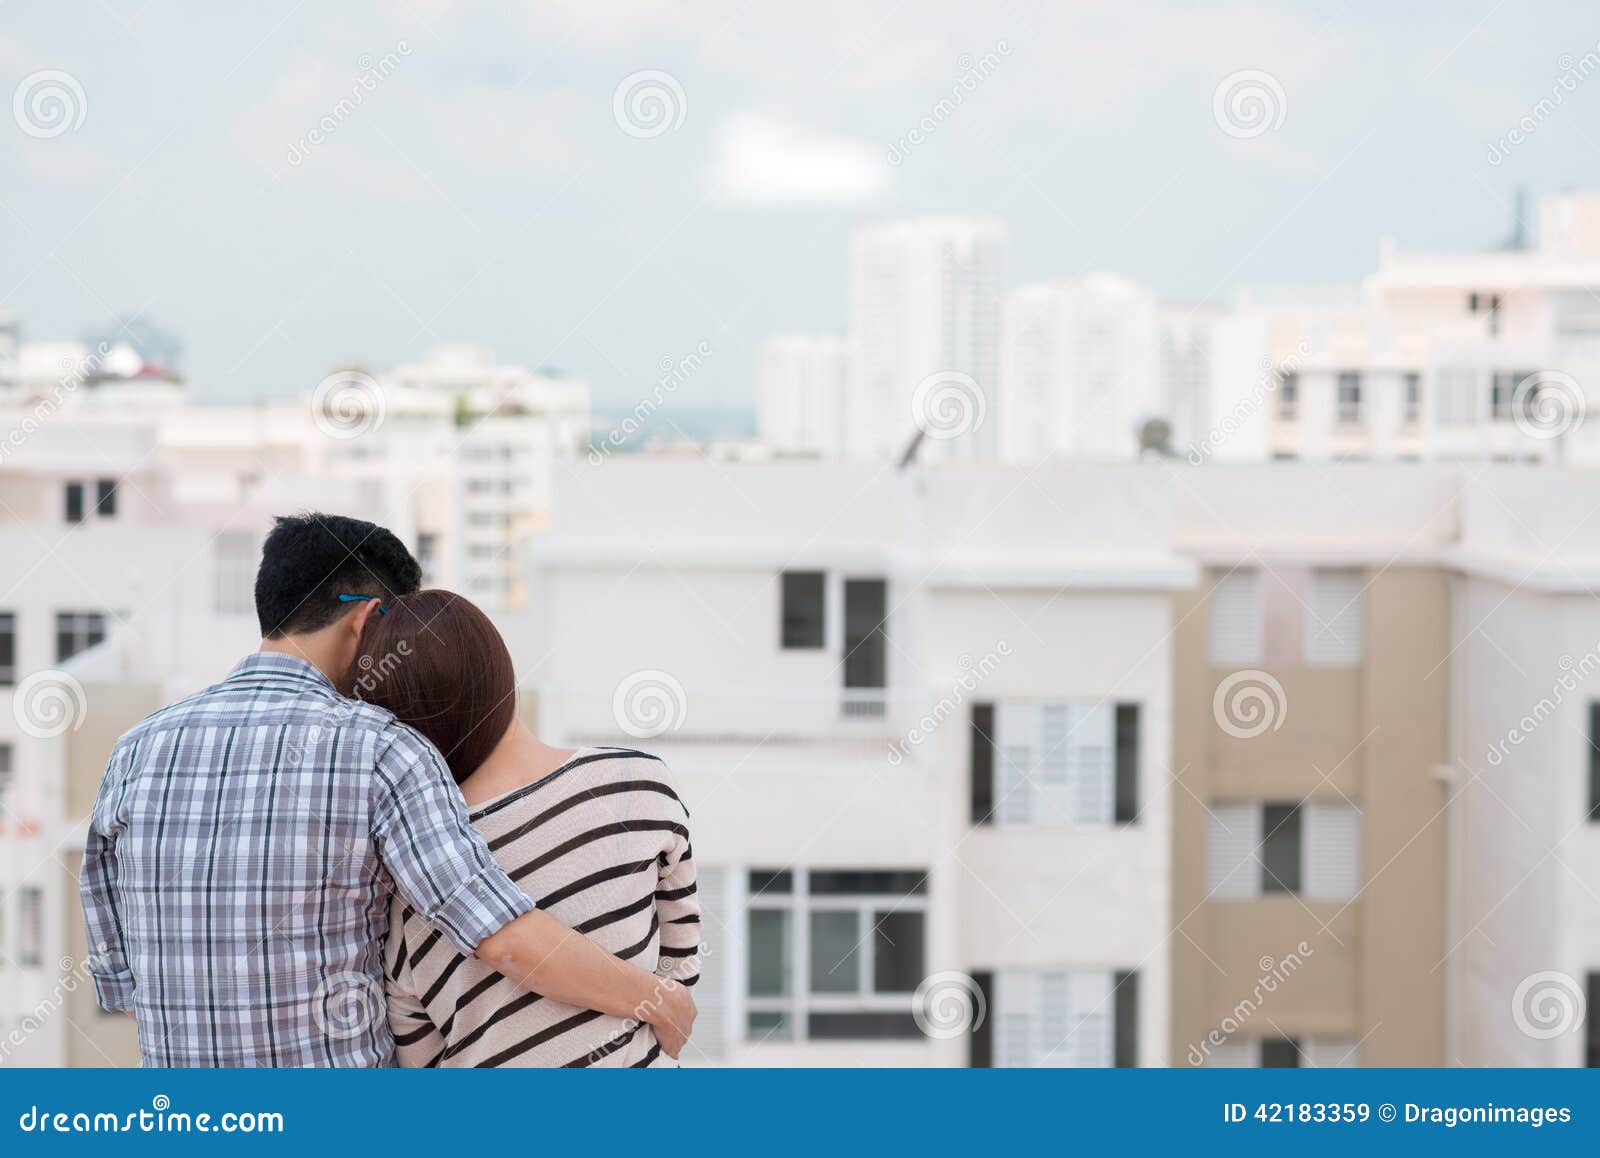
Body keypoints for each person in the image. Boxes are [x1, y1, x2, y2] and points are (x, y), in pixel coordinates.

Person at [79, 513, 694, 1067]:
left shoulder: (137, 751)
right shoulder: (380, 750)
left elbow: (120, 980)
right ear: (369, 618)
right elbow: (502, 938)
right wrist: (659, 1000)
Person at [355, 589, 699, 1067]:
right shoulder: (639, 784)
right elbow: (680, 969)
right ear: (500, 670)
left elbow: (419, 1058)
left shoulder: (415, 885)